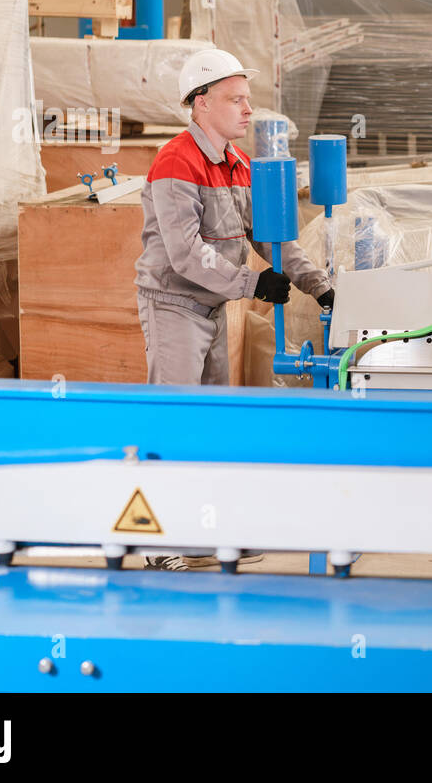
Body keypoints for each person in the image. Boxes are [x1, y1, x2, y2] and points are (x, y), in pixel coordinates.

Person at [134, 49, 333, 570]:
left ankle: (208, 532)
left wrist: (319, 286)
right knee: (174, 420)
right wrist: (252, 282)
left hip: (214, 306)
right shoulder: (176, 161)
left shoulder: (240, 165)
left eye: (248, 100)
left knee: (212, 422)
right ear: (201, 104)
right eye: (235, 100)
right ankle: (160, 543)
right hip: (174, 303)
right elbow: (184, 251)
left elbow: (274, 239)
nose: (248, 110)